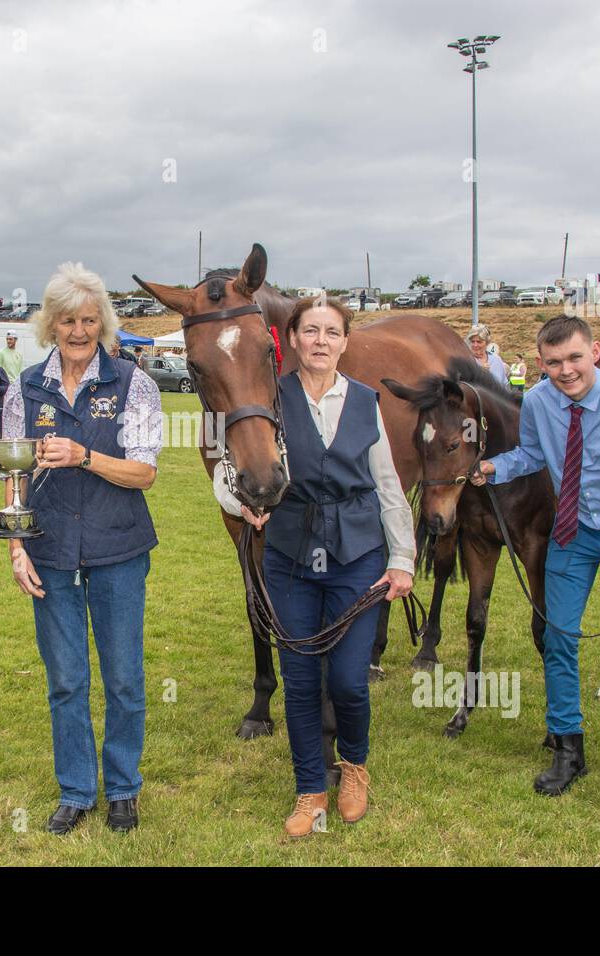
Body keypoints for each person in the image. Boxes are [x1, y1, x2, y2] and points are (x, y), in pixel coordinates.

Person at [217, 297, 415, 837]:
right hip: (289, 557)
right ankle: (309, 791)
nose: (321, 341)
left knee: (350, 681)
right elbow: (227, 471)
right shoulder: (269, 397)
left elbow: (389, 485)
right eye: (311, 331)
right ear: (294, 340)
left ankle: (353, 768)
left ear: (345, 341)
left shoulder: (366, 401)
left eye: (332, 332)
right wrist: (244, 503)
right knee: (301, 682)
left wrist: (402, 558)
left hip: (357, 557)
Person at [471, 314, 600, 809]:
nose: (566, 371)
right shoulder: (539, 400)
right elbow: (533, 455)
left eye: (575, 358)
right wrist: (494, 466)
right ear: (541, 362)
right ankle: (568, 749)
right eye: (554, 362)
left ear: (596, 352)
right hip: (573, 532)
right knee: (557, 636)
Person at [1, 262, 162, 836]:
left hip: (118, 548)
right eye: (68, 320)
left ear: (104, 323)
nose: (79, 331)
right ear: (51, 323)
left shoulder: (133, 382)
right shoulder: (27, 385)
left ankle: (122, 787)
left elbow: (144, 472)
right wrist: (16, 546)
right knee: (66, 677)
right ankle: (76, 789)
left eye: (90, 319)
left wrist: (85, 456)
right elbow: (13, 472)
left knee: (123, 677)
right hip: (49, 549)